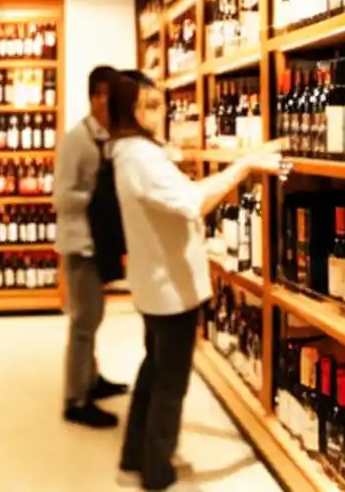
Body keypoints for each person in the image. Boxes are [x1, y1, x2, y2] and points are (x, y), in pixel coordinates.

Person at [109, 70, 278, 491]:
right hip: (170, 290)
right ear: (132, 109)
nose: (161, 111)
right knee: (171, 381)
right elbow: (191, 202)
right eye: (151, 104)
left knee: (153, 370)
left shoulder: (129, 151)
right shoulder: (140, 157)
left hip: (155, 283)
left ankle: (135, 453)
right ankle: (156, 469)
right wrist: (242, 167)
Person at [55, 65, 128, 428]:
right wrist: (96, 198)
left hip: (101, 242)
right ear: (95, 97)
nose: (109, 101)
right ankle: (75, 399)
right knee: (84, 321)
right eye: (104, 94)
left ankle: (91, 379)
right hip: (81, 242)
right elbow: (61, 197)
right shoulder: (76, 140)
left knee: (94, 315)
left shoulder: (109, 137)